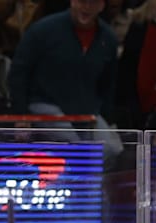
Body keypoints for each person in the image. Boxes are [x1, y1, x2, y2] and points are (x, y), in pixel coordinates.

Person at [8, 0, 121, 157]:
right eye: (82, 2)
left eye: (93, 3)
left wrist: (108, 119)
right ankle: (75, 179)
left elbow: (108, 84)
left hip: (87, 110)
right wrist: (20, 115)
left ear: (102, 6)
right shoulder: (43, 30)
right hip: (44, 104)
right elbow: (19, 72)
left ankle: (90, 181)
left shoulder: (108, 38)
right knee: (76, 148)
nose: (87, 7)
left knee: (111, 149)